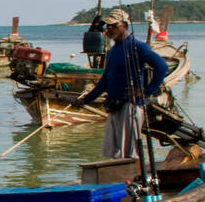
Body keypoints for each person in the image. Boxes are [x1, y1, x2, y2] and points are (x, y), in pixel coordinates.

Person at [70, 8, 167, 158]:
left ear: (125, 26)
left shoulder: (137, 46)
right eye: (108, 26)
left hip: (130, 106)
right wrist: (85, 99)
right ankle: (115, 179)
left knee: (129, 153)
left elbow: (161, 66)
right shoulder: (113, 51)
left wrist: (146, 92)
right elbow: (105, 81)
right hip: (113, 107)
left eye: (114, 25)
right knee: (112, 153)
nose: (110, 29)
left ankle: (130, 179)